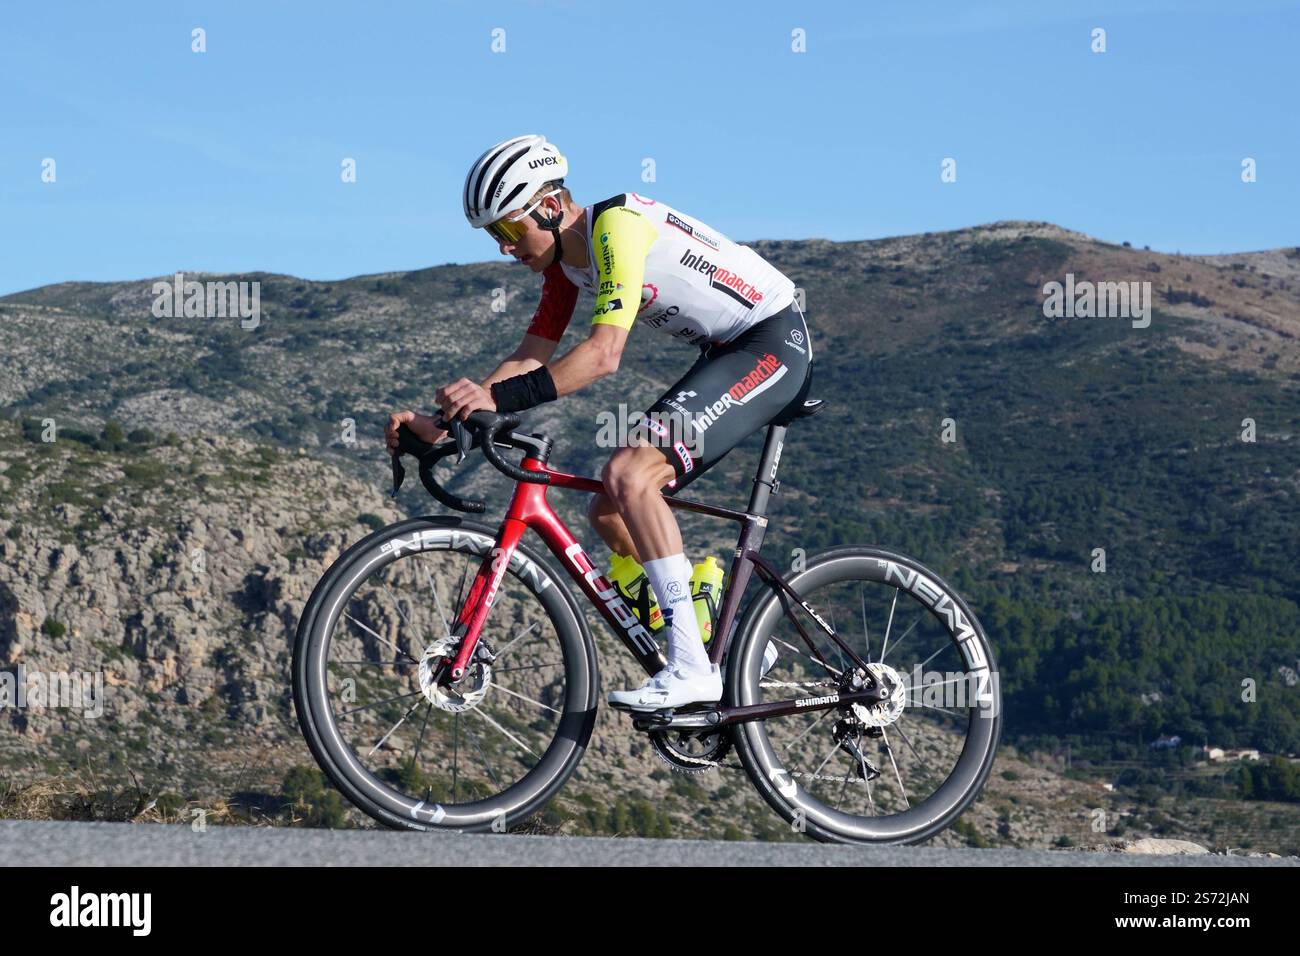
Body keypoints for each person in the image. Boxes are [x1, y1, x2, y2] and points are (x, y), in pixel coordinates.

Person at [386, 134, 813, 710]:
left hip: (770, 341)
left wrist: (496, 400)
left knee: (631, 475)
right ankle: (726, 640)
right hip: (726, 350)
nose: (505, 249)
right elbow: (530, 355)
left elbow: (603, 355)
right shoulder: (564, 267)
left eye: (510, 231)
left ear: (550, 205)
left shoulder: (617, 226)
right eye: (494, 237)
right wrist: (442, 422)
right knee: (609, 510)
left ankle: (691, 669)